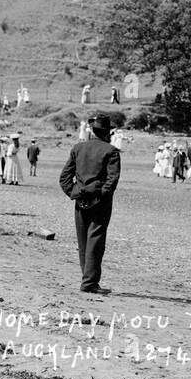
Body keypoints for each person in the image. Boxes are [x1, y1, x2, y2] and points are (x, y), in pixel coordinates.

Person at [58, 113, 121, 294]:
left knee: (83, 241)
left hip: (80, 201)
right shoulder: (111, 151)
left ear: (93, 130)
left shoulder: (78, 148)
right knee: (96, 241)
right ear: (107, 132)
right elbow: (112, 180)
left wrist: (74, 193)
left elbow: (64, 178)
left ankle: (87, 279)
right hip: (100, 202)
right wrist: (100, 195)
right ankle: (89, 282)